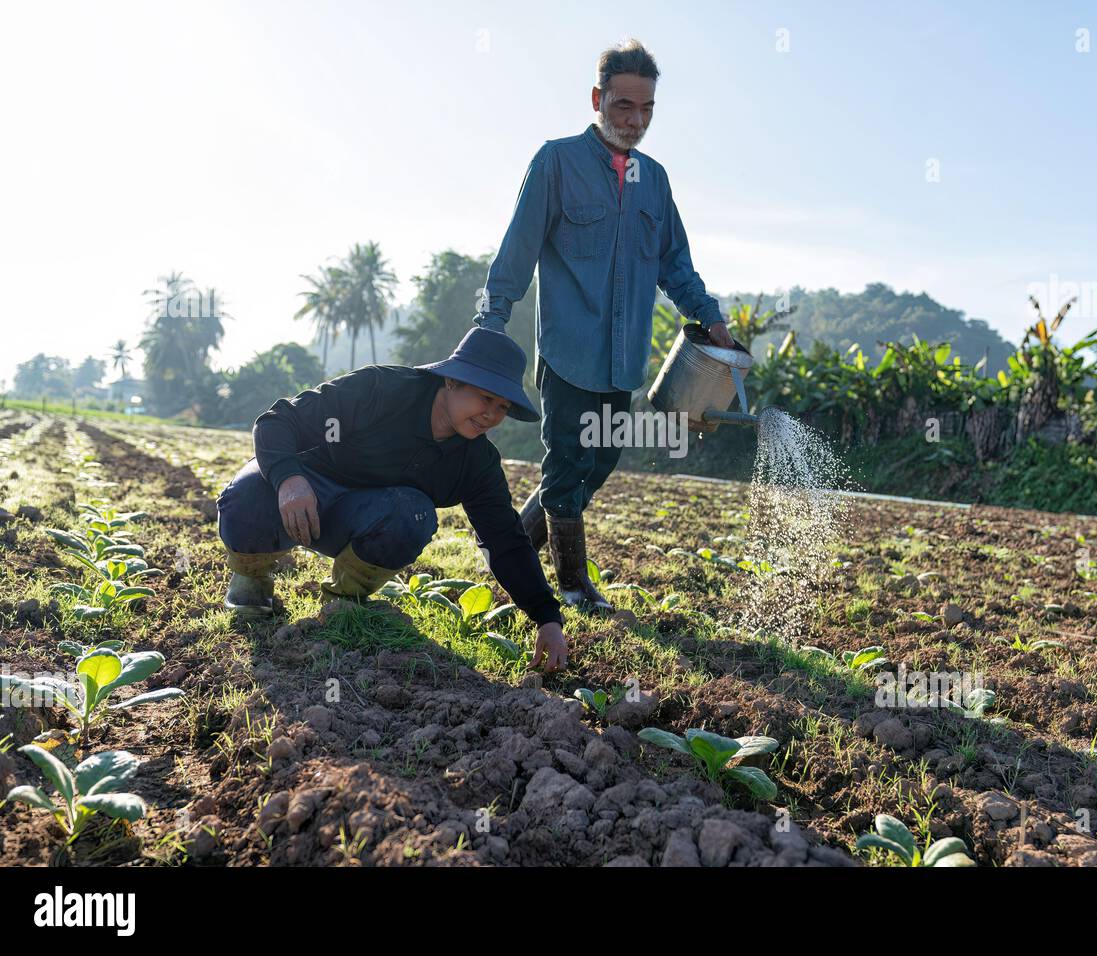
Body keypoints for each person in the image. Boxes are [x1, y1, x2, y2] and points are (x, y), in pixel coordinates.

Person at [473, 38, 735, 609]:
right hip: (568, 350)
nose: (635, 121)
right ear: (597, 98)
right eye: (623, 107)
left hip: (625, 357)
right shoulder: (556, 162)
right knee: (567, 463)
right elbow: (517, 250)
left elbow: (675, 265)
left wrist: (709, 319)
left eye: (646, 110)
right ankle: (571, 587)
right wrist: (491, 320)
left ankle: (512, 546)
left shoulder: (655, 181)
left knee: (602, 458)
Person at [214, 327, 569, 672]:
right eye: (485, 398)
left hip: (360, 519)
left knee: (414, 515)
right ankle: (251, 580)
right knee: (249, 495)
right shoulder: (381, 389)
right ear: (450, 380)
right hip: (304, 494)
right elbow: (277, 421)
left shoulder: (476, 463)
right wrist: (289, 479)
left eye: (503, 406)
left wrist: (547, 617)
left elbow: (504, 539)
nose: (492, 415)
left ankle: (345, 600)